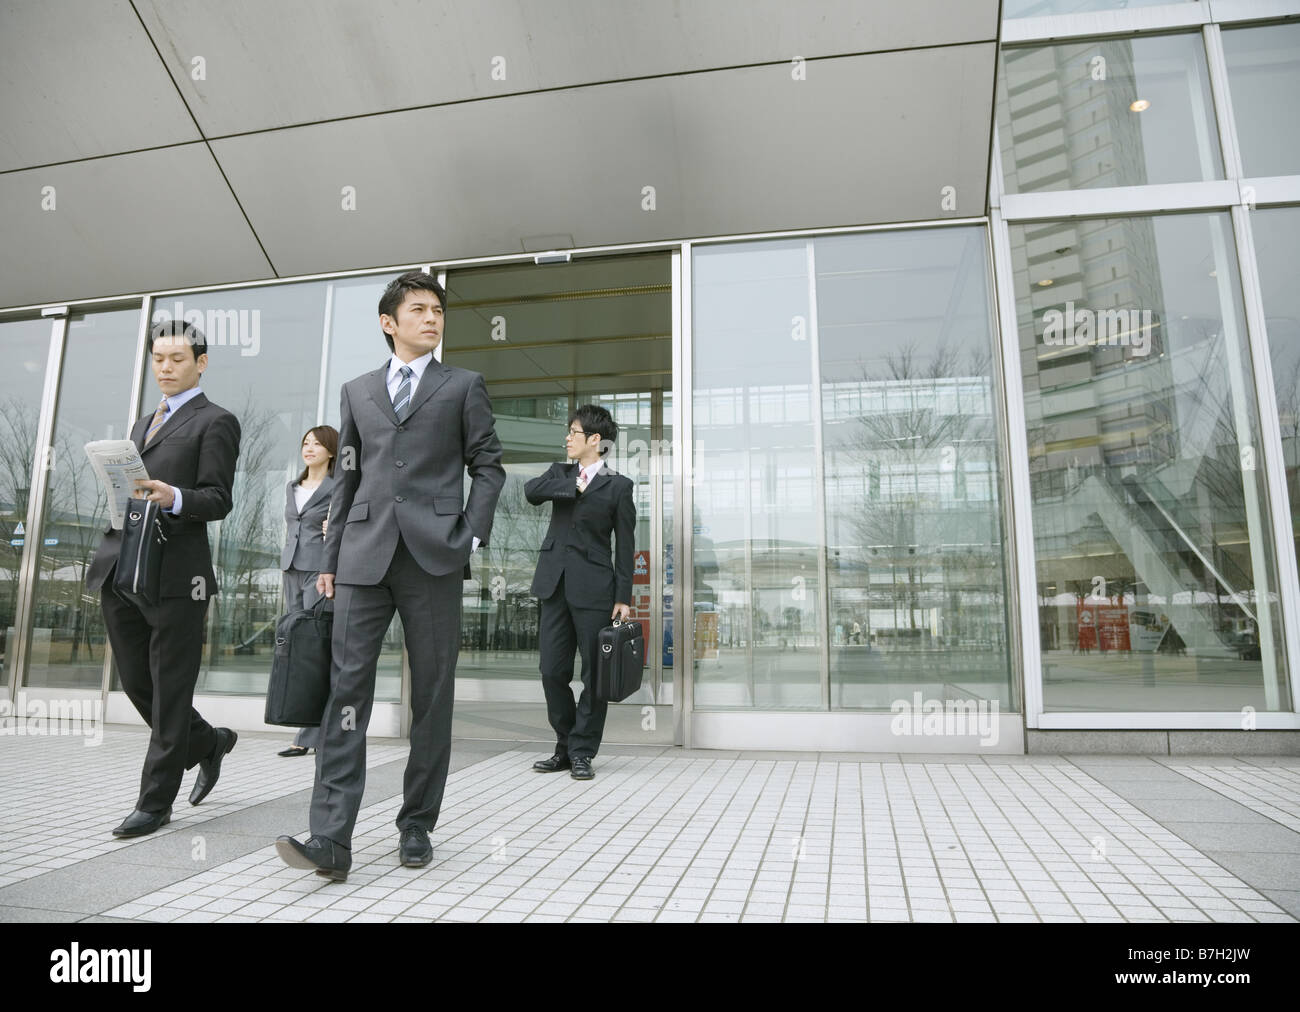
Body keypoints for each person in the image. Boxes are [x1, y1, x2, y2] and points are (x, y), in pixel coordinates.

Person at [275, 271, 504, 882]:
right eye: (419, 310)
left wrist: (470, 535)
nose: (432, 319)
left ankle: (416, 824)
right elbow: (345, 482)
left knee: (431, 696)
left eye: (438, 311)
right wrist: (328, 562)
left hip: (435, 558)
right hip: (362, 560)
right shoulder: (356, 391)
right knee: (346, 694)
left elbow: (488, 466)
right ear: (388, 322)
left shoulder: (462, 387)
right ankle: (330, 839)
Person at [86, 319, 242, 837]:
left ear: (200, 362)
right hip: (123, 568)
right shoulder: (141, 424)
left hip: (178, 577)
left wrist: (172, 495)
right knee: (137, 683)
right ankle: (207, 743)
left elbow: (218, 499)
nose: (166, 367)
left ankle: (155, 802)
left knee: (170, 691)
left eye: (177, 358)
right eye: (158, 359)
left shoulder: (216, 421)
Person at [525, 404, 635, 781]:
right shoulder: (559, 473)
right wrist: (571, 484)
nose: (567, 438)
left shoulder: (619, 486)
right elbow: (531, 492)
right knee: (551, 671)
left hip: (596, 590)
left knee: (594, 676)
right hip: (553, 586)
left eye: (573, 432)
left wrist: (624, 596)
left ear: (595, 440)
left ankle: (582, 750)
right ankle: (564, 744)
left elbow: (626, 544)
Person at [275, 425, 338, 757]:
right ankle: (304, 723)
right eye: (305, 443)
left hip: (319, 572)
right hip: (291, 569)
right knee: (297, 649)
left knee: (315, 649)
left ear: (331, 450)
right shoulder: (292, 486)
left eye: (317, 443)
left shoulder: (337, 486)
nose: (309, 448)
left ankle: (310, 735)